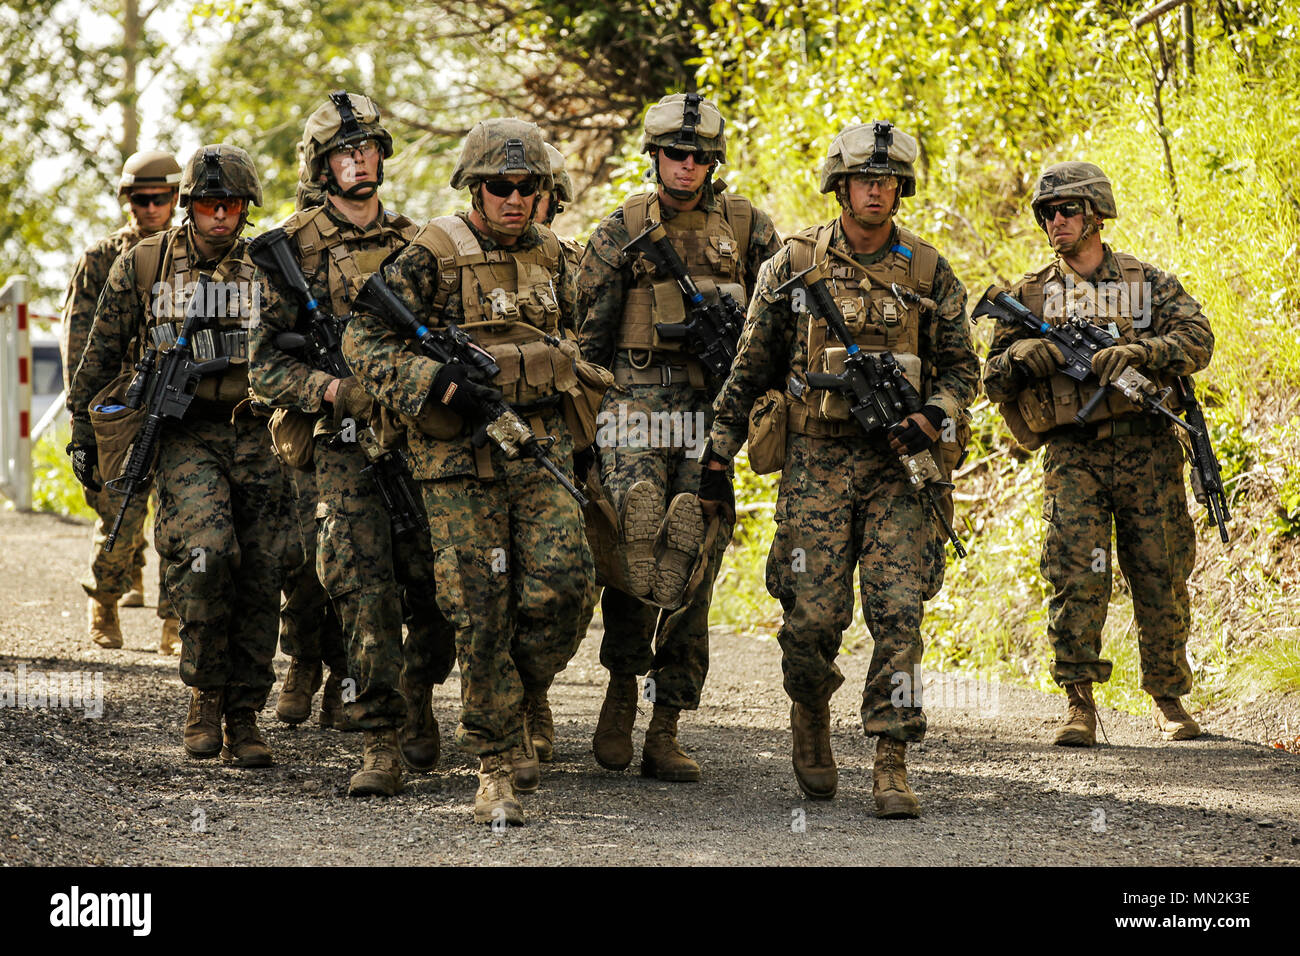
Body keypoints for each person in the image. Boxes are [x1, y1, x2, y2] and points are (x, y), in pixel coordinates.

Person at [703, 121, 979, 818]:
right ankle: (809, 704)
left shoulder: (927, 269)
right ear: (841, 185)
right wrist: (716, 456)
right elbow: (748, 368)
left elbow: (961, 367)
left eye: (888, 181)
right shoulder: (794, 264)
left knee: (900, 614)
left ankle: (891, 758)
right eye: (865, 179)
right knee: (811, 619)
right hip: (816, 462)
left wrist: (932, 412)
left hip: (898, 466)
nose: (877, 191)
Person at [343, 118, 595, 824]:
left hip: (535, 442)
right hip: (456, 459)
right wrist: (435, 383)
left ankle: (518, 692)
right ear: (475, 188)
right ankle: (494, 766)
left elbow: (583, 335)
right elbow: (362, 339)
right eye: (499, 187)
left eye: (528, 187)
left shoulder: (553, 254)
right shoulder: (432, 252)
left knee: (566, 586)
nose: (515, 199)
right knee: (477, 607)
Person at [250, 91, 456, 796]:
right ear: (321, 164)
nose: (358, 159)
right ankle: (379, 742)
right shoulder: (291, 248)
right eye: (344, 151)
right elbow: (265, 365)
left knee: (433, 582)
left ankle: (421, 695)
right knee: (363, 589)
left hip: (414, 441)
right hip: (341, 447)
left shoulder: (414, 242)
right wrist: (333, 391)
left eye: (367, 148)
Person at [576, 92, 781, 782]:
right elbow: (589, 342)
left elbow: (778, 329)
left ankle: (666, 724)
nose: (685, 166)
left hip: (711, 416)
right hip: (634, 411)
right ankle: (621, 689)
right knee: (637, 549)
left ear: (712, 161)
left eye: (697, 156)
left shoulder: (750, 229)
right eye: (673, 154)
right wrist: (586, 436)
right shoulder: (620, 230)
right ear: (654, 156)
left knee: (697, 560)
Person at [69, 144, 289, 768]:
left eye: (231, 205)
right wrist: (86, 439)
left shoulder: (272, 265)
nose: (219, 217)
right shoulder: (144, 263)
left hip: (260, 429)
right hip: (185, 435)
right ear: (189, 206)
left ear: (246, 209)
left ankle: (245, 712)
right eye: (207, 204)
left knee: (261, 569)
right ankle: (203, 696)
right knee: (206, 553)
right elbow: (99, 355)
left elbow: (310, 338)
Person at [981, 161, 1213, 746]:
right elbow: (988, 377)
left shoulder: (1144, 282)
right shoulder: (1027, 295)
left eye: (1067, 210)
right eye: (1047, 212)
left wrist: (1143, 353)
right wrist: (1023, 358)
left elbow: (1198, 339)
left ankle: (1169, 699)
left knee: (1160, 570)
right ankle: (1078, 703)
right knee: (1075, 573)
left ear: (1095, 215)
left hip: (1147, 449)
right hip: (1072, 454)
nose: (1055, 221)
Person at [61, 150, 182, 653]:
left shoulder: (192, 253)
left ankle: (175, 622)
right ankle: (105, 601)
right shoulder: (101, 258)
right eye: (140, 198)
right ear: (126, 199)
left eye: (160, 197)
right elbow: (79, 341)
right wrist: (82, 417)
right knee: (120, 510)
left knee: (184, 517)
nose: (150, 207)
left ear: (177, 198)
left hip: (181, 397)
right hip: (121, 402)